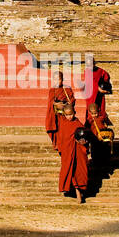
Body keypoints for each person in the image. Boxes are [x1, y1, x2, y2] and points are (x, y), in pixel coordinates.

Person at [46, 71, 89, 203]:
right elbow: (50, 106)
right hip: (59, 119)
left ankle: (79, 193)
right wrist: (56, 106)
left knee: (78, 167)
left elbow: (72, 101)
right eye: (54, 78)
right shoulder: (52, 91)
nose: (56, 81)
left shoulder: (67, 90)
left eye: (58, 79)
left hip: (65, 115)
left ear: (61, 79)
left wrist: (65, 106)